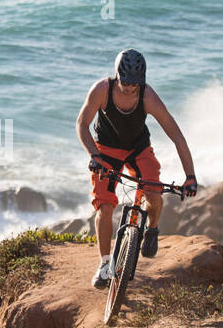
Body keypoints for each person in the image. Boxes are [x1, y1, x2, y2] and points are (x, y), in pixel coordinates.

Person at [75, 49, 197, 289]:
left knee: (154, 193)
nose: (131, 89)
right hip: (105, 151)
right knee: (105, 205)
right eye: (126, 83)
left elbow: (177, 136)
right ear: (117, 75)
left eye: (136, 84)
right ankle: (104, 264)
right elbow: (82, 124)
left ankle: (151, 228)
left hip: (138, 150)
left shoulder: (148, 96)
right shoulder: (102, 90)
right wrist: (93, 155)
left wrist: (190, 176)